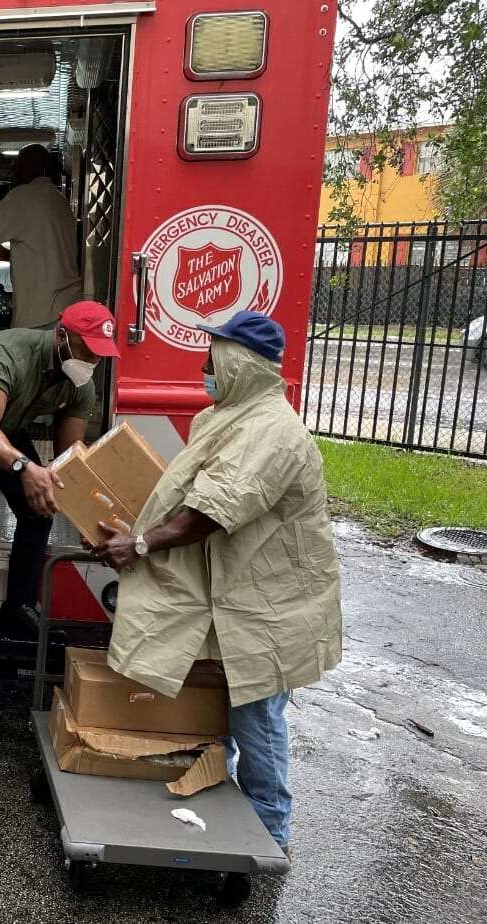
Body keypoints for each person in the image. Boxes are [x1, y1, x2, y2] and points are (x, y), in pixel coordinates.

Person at [92, 310, 342, 856]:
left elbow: (208, 513)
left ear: (239, 363)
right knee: (228, 704)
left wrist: (139, 545)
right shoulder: (233, 417)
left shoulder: (270, 432)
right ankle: (225, 794)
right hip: (244, 594)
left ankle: (271, 831)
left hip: (274, 602)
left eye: (215, 357)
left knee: (257, 712)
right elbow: (184, 493)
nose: (205, 367)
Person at [0, 301, 120, 639]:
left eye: (101, 354)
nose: (93, 361)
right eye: (87, 350)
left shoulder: (79, 384)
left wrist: (88, 516)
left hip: (5, 429)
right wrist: (25, 467)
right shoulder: (6, 353)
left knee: (38, 511)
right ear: (61, 335)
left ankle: (19, 607)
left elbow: (69, 458)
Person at [0, 144, 82, 330]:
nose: (13, 172)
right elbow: (42, 248)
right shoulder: (59, 201)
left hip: (41, 315)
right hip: (67, 310)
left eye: (17, 165)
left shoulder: (24, 197)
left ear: (25, 168)